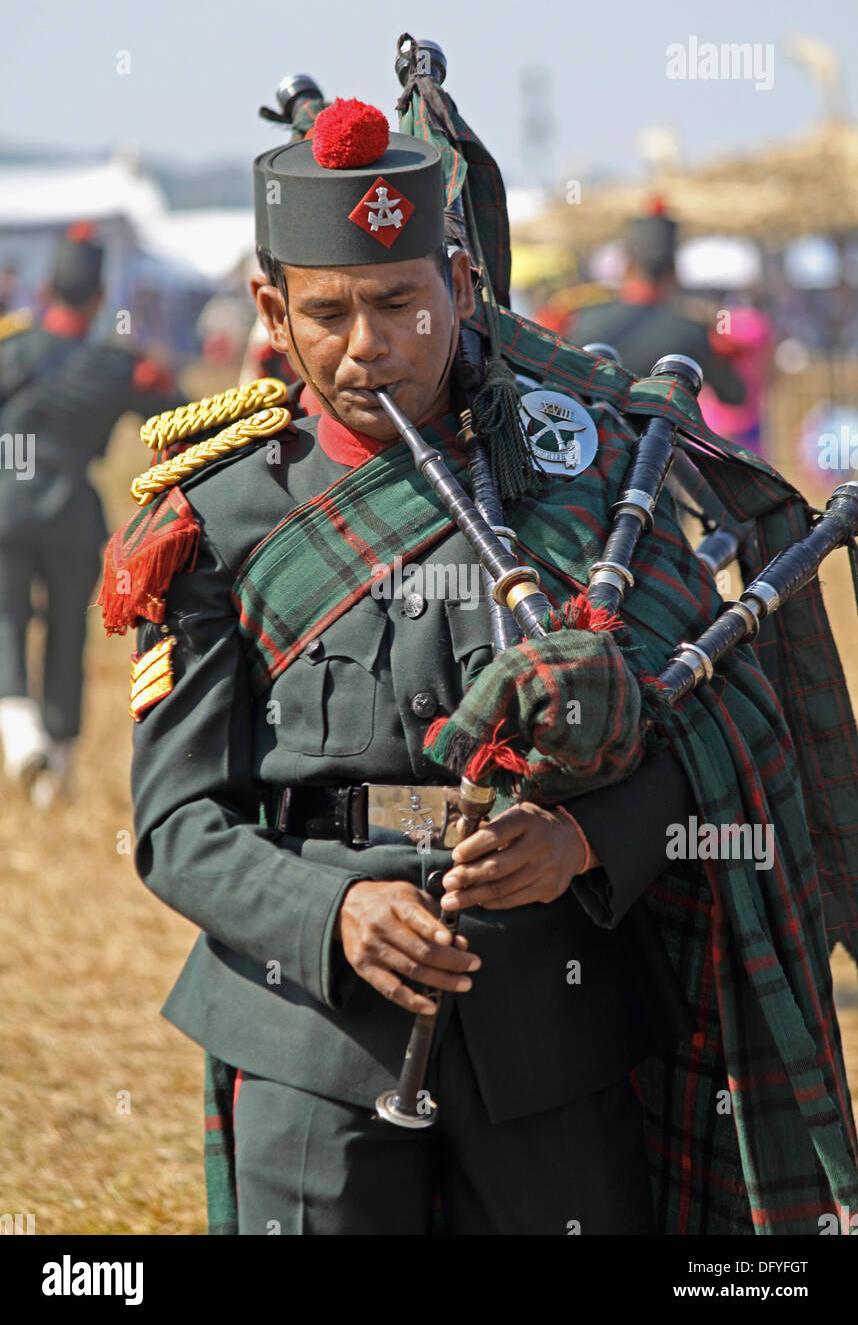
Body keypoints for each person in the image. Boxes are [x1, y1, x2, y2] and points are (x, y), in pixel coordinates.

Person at [104, 88, 858, 1236]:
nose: (369, 347)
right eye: (330, 311)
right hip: (313, 1043)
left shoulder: (584, 476)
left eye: (401, 303)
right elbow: (179, 827)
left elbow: (712, 742)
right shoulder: (215, 517)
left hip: (554, 1039)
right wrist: (333, 914)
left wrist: (581, 842)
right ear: (272, 307)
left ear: (457, 285)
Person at [0, 223, 181, 807]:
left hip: (4, 502)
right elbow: (177, 416)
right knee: (69, 636)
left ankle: (19, 735)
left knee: (2, 619)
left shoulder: (6, 350)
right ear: (99, 298)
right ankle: (56, 770)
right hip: (74, 508)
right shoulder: (117, 365)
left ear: (46, 289)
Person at [569, 200, 747, 411]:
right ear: (673, 272)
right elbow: (734, 395)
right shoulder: (692, 331)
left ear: (627, 267)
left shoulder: (580, 317)